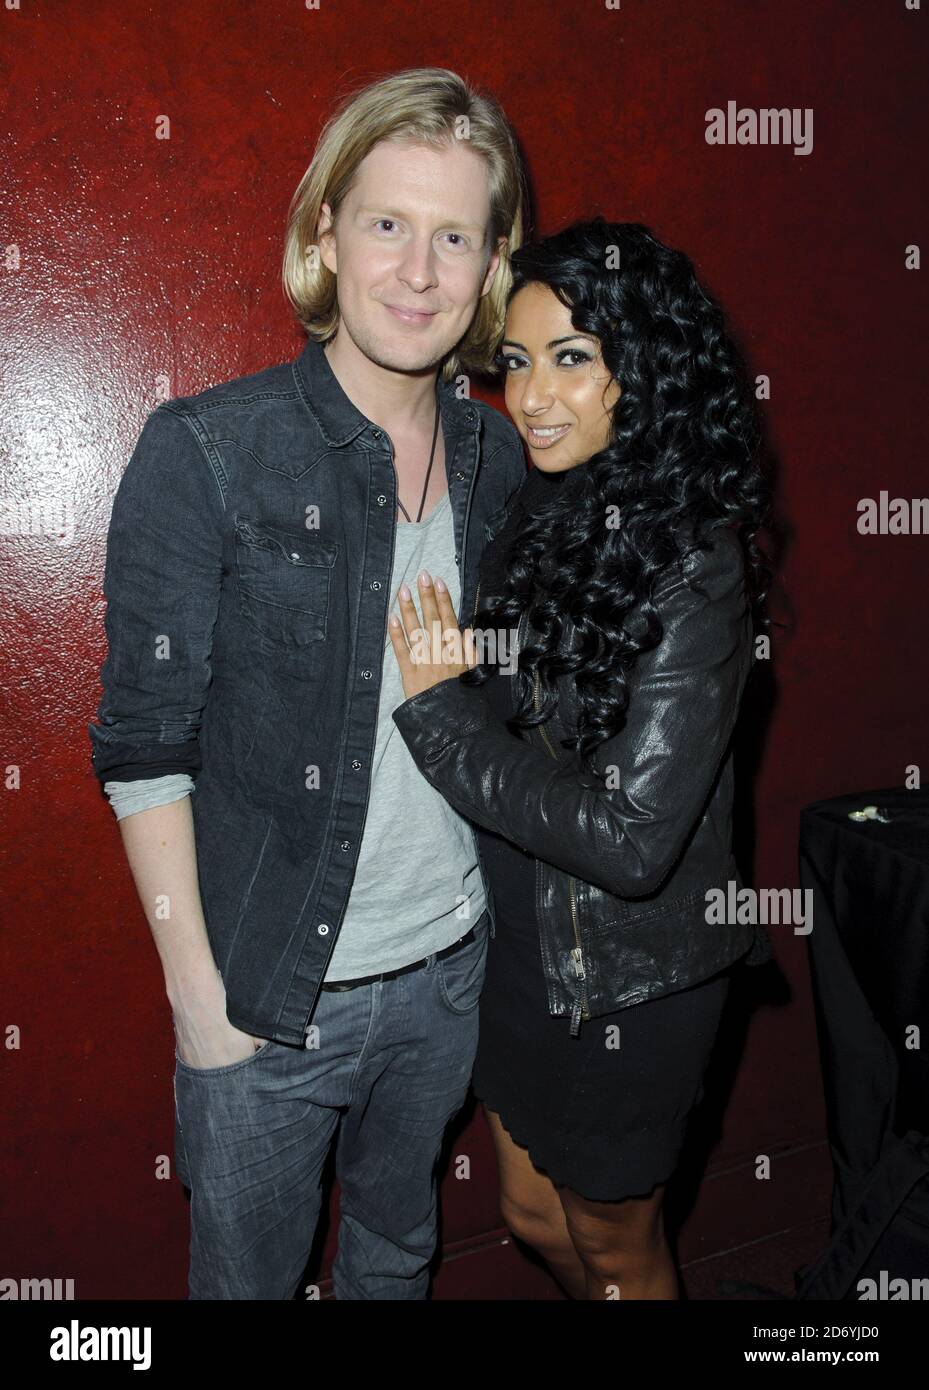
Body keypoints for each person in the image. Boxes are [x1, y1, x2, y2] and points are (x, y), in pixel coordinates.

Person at [86, 66, 529, 1300]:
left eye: (454, 236)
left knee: (397, 1251)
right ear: (325, 233)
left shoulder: (504, 453)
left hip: (448, 970)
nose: (417, 271)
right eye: (386, 224)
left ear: (491, 262)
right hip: (271, 1002)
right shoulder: (207, 451)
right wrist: (200, 1008)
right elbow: (142, 746)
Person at [389, 217, 775, 1301]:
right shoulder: (546, 508)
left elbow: (631, 840)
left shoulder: (695, 563)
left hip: (627, 982)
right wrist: (473, 658)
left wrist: (437, 713)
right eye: (516, 361)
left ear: (637, 372)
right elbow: (542, 686)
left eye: (571, 359)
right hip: (527, 955)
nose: (532, 397)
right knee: (523, 1213)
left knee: (613, 1250)